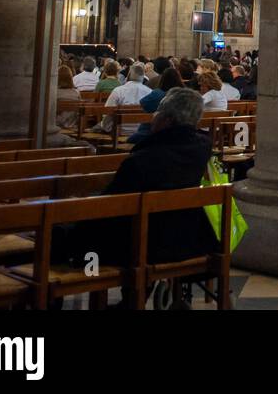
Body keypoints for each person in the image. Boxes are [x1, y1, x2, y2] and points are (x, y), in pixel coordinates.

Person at [60, 88, 218, 267]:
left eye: (157, 112)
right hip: (186, 238)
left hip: (139, 244)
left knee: (64, 235)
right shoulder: (203, 151)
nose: (153, 116)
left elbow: (110, 205)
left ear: (167, 120)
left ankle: (66, 281)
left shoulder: (143, 160)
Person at [55, 65, 82, 130]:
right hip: (72, 123)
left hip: (56, 123)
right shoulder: (76, 92)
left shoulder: (54, 92)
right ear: (70, 78)